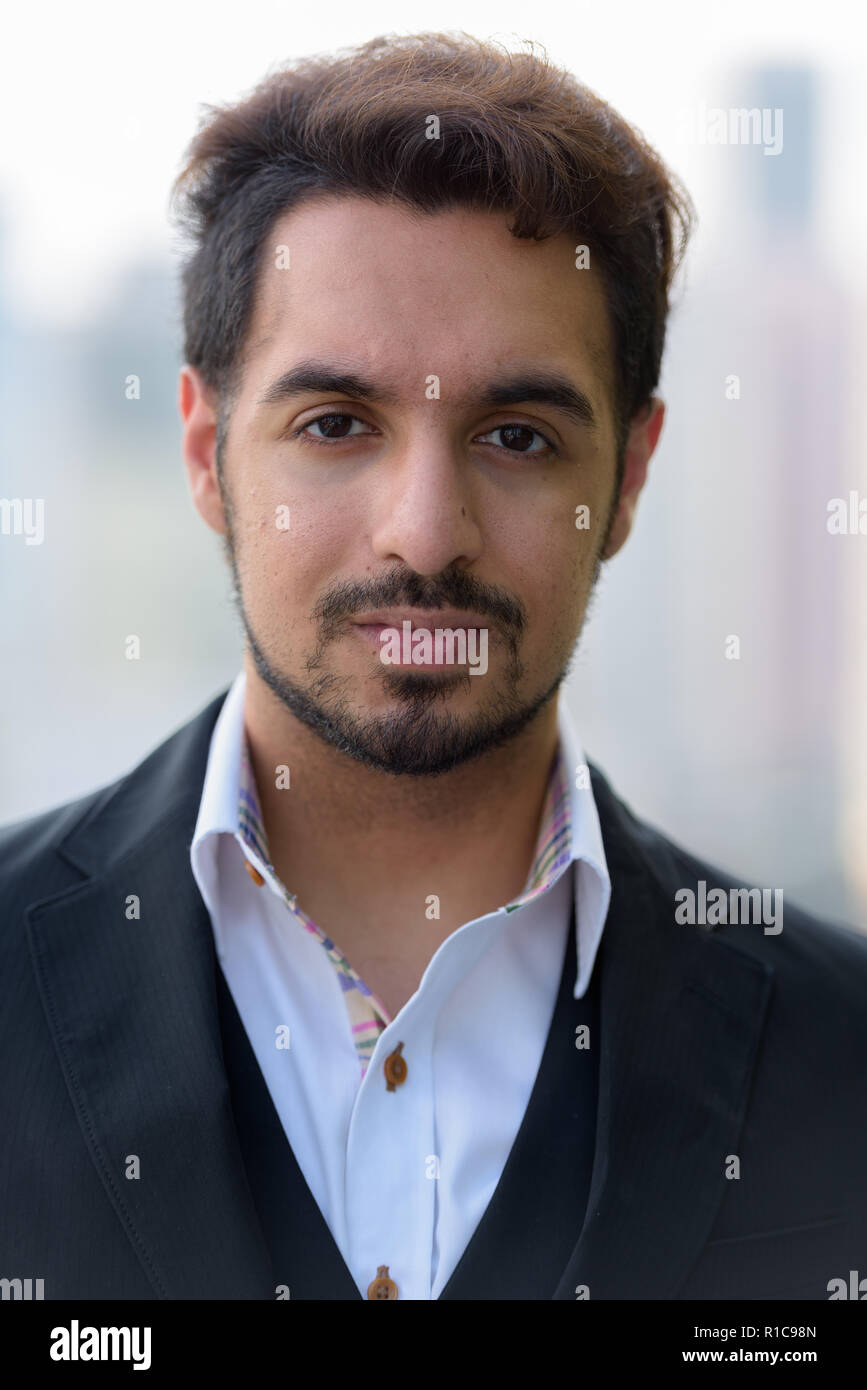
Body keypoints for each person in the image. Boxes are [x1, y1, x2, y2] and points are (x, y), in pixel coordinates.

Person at [2, 31, 865, 1302]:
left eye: (516, 434)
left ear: (626, 478)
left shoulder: (842, 1054)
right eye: (337, 425)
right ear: (204, 453)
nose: (424, 529)